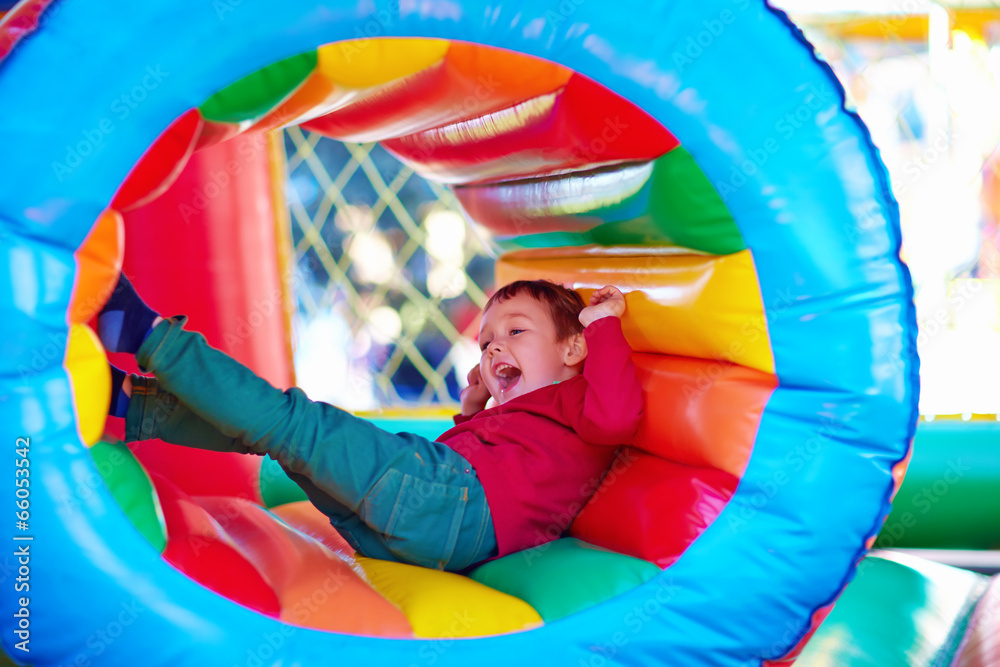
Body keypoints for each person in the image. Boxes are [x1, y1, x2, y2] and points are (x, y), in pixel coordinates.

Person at [100, 275, 643, 572]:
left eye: (516, 332)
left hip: (449, 505)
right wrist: (476, 409)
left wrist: (602, 327)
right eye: (485, 341)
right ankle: (134, 405)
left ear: (574, 347)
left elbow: (617, 416)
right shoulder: (534, 419)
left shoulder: (578, 395)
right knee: (283, 441)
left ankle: (147, 335)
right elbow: (502, 463)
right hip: (427, 537)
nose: (494, 344)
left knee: (296, 423)